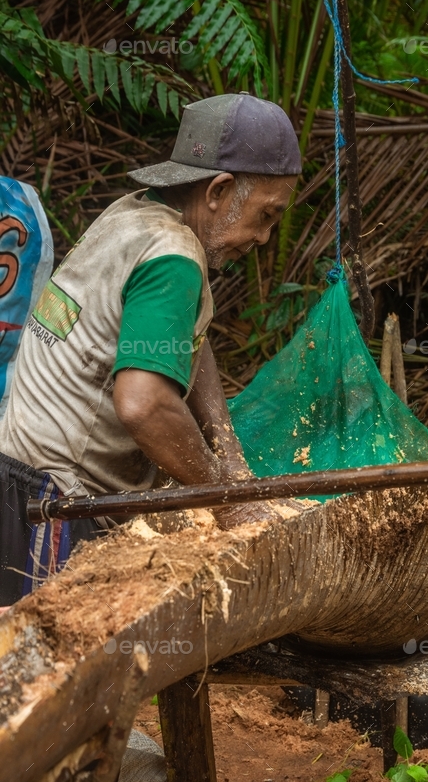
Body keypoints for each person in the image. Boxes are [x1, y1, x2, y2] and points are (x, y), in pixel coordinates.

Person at [0, 93, 301, 605]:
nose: (265, 237)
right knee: (59, 673)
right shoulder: (173, 256)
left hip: (15, 473)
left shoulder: (133, 216)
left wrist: (229, 457)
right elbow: (145, 406)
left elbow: (184, 342)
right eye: (265, 215)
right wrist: (226, 499)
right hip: (54, 505)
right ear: (220, 190)